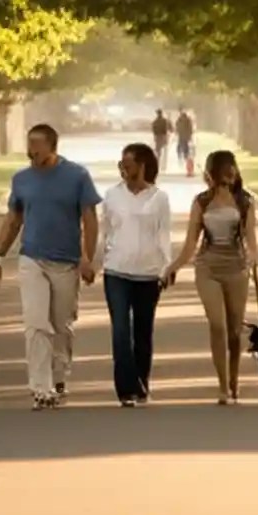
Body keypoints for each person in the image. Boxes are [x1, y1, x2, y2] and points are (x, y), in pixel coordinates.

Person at [0, 124, 102, 410]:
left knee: (61, 324)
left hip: (66, 261)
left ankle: (59, 374)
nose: (32, 151)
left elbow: (89, 218)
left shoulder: (76, 176)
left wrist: (87, 258)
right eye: (29, 145)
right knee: (36, 322)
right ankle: (40, 387)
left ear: (53, 146)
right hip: (32, 258)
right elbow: (13, 220)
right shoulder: (22, 180)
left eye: (38, 145)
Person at [163, 150, 258, 405]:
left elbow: (251, 239)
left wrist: (251, 257)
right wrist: (173, 266)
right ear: (215, 173)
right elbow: (190, 244)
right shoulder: (202, 202)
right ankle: (223, 385)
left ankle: (235, 378)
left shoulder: (245, 201)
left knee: (235, 330)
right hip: (208, 267)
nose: (231, 174)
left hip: (236, 268)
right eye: (226, 169)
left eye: (233, 169)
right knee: (217, 324)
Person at [95, 143, 171, 408]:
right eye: (121, 165)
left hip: (149, 273)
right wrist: (93, 264)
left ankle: (142, 383)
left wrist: (167, 267)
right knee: (120, 331)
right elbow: (104, 233)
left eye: (128, 165)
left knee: (143, 331)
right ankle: (125, 388)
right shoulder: (112, 196)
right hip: (116, 270)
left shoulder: (159, 198)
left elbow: (163, 235)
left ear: (142, 166)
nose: (124, 170)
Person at [175, 107, 195, 177]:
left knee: (181, 146)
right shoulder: (185, 120)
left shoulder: (181, 120)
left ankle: (182, 156)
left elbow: (177, 126)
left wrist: (177, 132)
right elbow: (190, 128)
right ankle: (182, 156)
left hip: (183, 136)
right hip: (184, 136)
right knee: (182, 146)